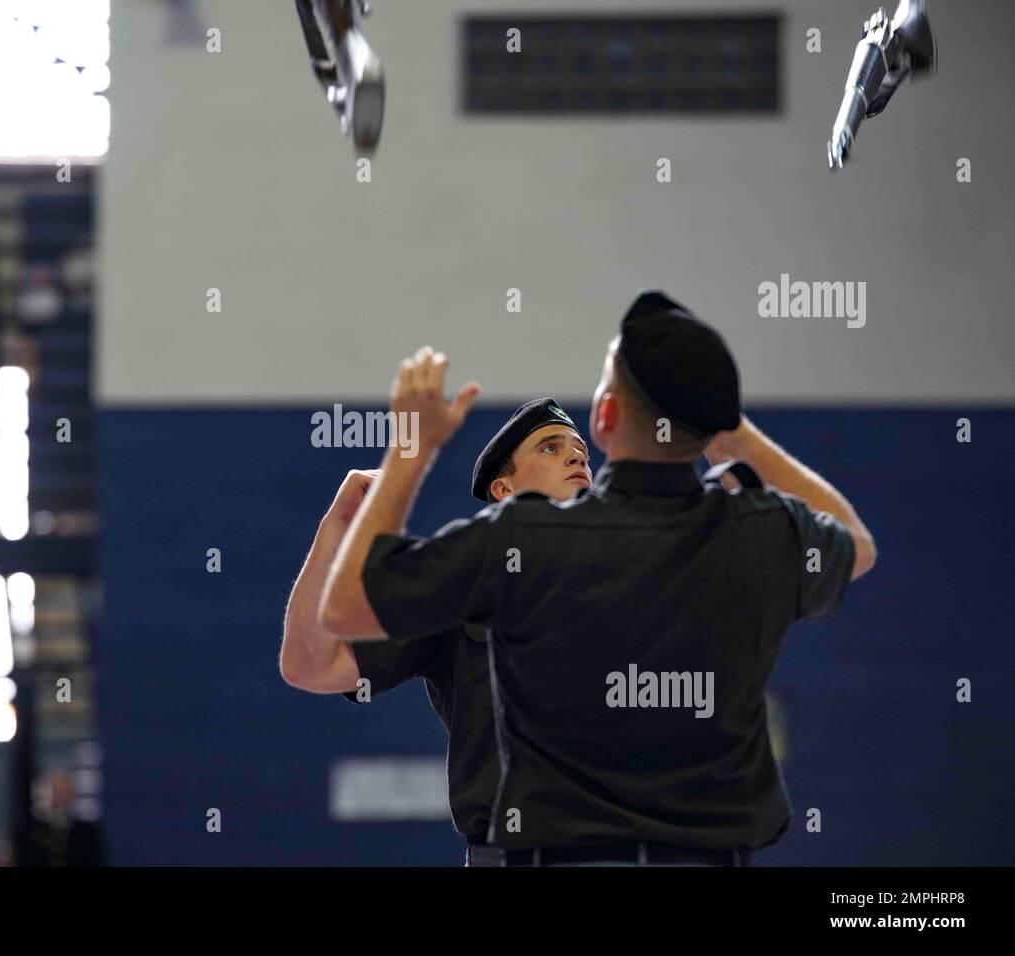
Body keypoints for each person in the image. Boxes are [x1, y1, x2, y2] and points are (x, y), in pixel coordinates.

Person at [319, 291, 877, 866]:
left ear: (605, 418)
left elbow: (343, 609)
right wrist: (727, 433)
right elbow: (856, 546)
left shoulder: (523, 543)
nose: (572, 457)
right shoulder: (754, 530)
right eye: (551, 447)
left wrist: (409, 455)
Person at [281, 399, 590, 866]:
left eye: (583, 453)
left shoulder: (637, 574)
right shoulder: (463, 584)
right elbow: (311, 664)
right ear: (504, 489)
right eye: (551, 448)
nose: (576, 458)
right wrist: (335, 529)